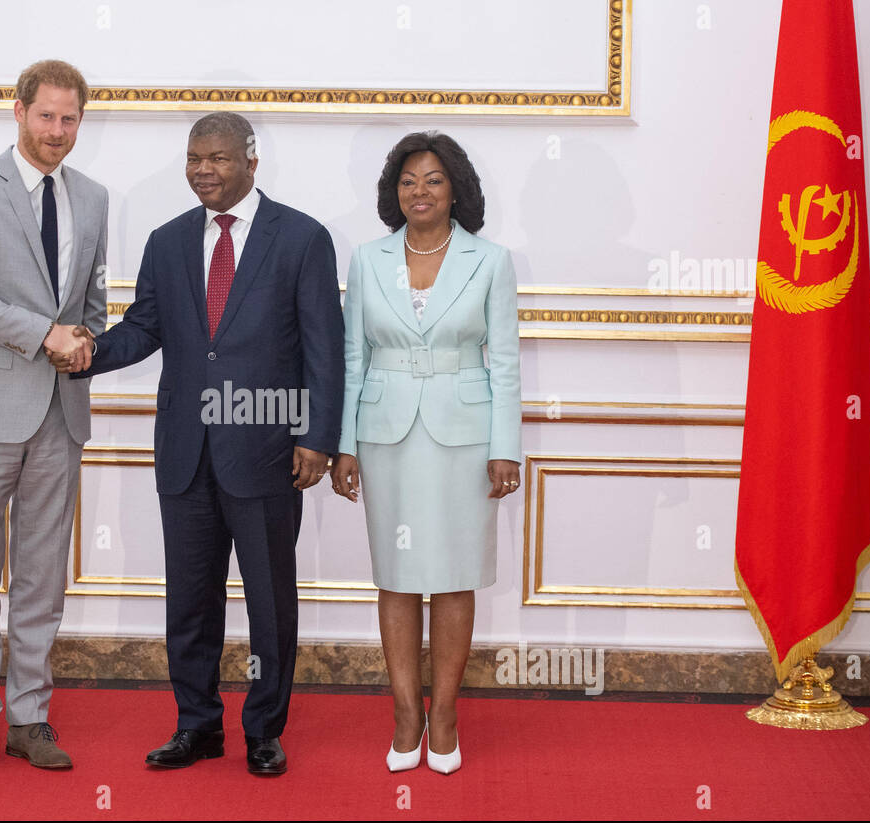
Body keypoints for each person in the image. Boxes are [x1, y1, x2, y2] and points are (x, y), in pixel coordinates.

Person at [49, 112, 344, 775]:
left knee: (270, 603)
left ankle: (264, 730)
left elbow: (327, 349)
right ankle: (197, 725)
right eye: (193, 158)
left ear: (251, 161)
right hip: (185, 452)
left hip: (268, 453)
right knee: (188, 600)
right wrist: (86, 352)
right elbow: (144, 325)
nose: (203, 169)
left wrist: (318, 438)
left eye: (217, 157)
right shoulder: (168, 240)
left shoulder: (301, 238)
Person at [0, 60, 108, 773]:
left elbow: (89, 301)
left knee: (42, 575)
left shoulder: (93, 198)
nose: (58, 132)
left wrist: (86, 341)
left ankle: (31, 712)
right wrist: (43, 334)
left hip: (60, 414)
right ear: (18, 111)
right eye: (46, 116)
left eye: (70, 119)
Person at [330, 131, 522, 775]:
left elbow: (505, 364)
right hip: (384, 435)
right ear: (394, 191)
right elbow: (353, 356)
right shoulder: (366, 258)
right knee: (398, 575)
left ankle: (445, 714)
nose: (420, 190)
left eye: (434, 179)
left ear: (456, 189)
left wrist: (506, 448)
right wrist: (344, 444)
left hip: (465, 439)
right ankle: (406, 712)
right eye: (409, 179)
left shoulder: (489, 260)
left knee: (454, 574)